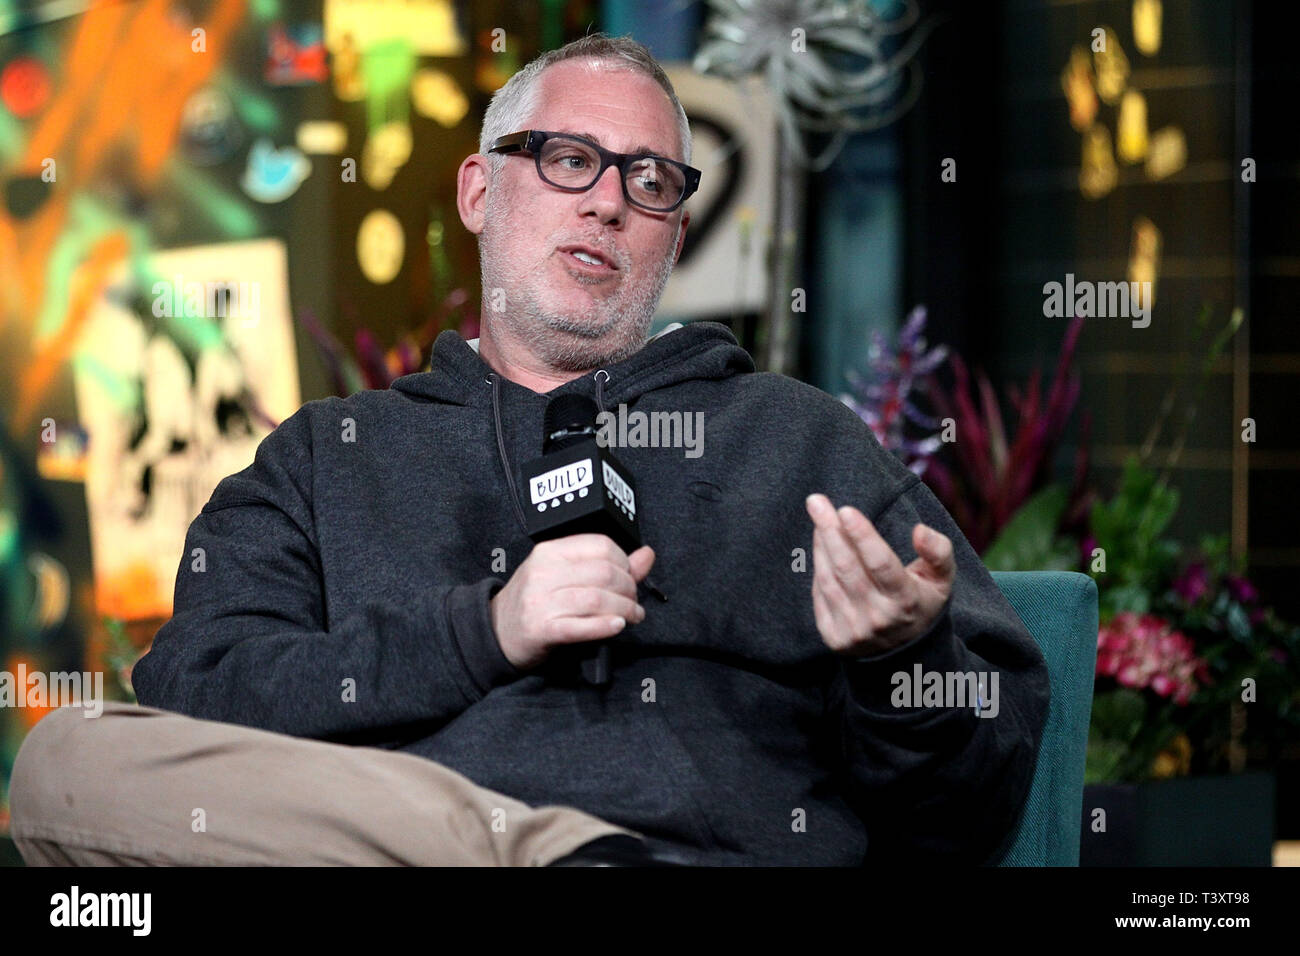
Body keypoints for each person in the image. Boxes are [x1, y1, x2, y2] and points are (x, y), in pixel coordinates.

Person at [9, 33, 1049, 867]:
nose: (606, 199)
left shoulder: (798, 437)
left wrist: (898, 657)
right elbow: (202, 688)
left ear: (673, 237)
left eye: (651, 183)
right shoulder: (328, 455)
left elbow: (967, 815)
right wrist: (482, 631)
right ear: (477, 192)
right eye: (568, 159)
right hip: (394, 844)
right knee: (69, 759)